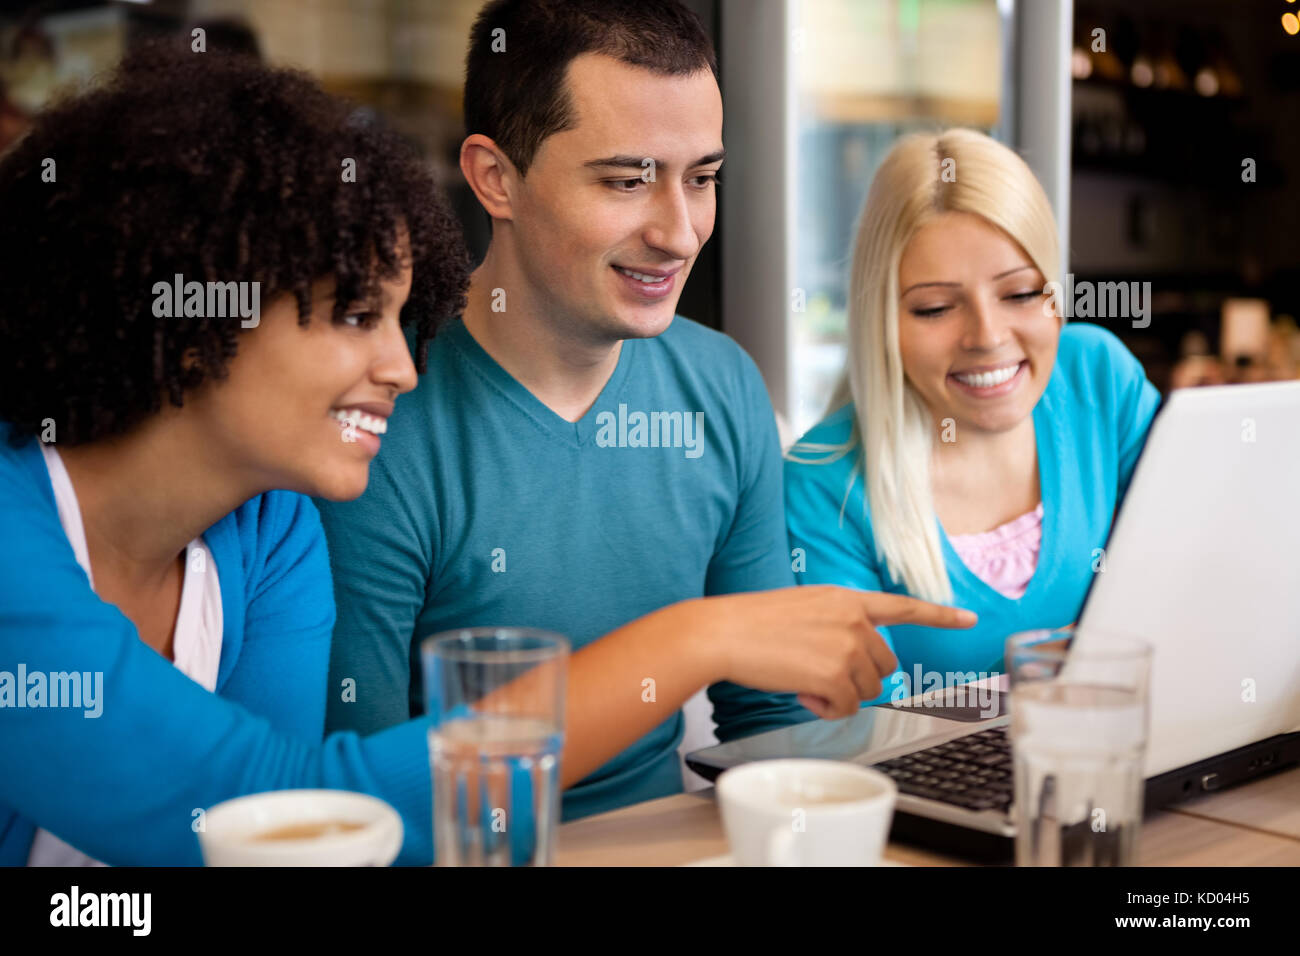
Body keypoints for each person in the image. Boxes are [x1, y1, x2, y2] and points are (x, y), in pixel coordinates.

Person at [0, 42, 964, 867]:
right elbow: (292, 801)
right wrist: (690, 640)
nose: (401, 367)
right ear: (191, 307)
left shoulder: (270, 529)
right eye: (351, 316)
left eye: (397, 319)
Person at [316, 0, 976, 821]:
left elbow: (764, 725)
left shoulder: (723, 386)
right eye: (628, 181)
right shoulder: (377, 411)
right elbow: (354, 807)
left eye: (702, 178)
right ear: (496, 178)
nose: (680, 231)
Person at [785, 129, 1161, 704]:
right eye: (935, 307)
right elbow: (864, 736)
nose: (988, 338)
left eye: (1020, 294)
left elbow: (1189, 579)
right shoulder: (822, 479)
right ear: (882, 317)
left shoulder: (1099, 379)